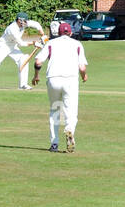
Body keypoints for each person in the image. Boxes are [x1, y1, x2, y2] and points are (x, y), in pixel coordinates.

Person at [32, 22, 87, 152]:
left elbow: (38, 62)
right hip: (70, 80)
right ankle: (69, 130)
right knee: (71, 112)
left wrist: (36, 76)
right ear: (71, 33)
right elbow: (82, 67)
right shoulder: (77, 44)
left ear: (58, 32)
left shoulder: (51, 43)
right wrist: (84, 76)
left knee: (55, 110)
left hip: (53, 79)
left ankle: (54, 143)